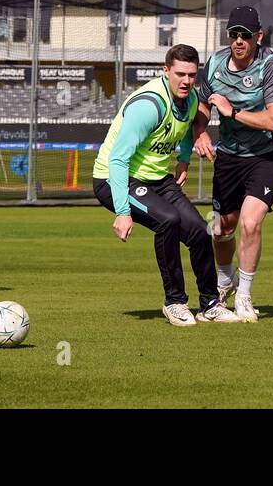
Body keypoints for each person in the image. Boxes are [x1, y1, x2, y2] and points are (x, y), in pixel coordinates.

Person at [92, 44, 239, 326]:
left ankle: (210, 304)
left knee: (199, 230)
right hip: (114, 179)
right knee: (168, 220)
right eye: (180, 74)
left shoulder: (191, 99)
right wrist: (122, 212)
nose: (186, 81)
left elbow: (185, 128)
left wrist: (183, 160)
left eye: (192, 75)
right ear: (165, 71)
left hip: (157, 179)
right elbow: (118, 160)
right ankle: (174, 302)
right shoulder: (148, 106)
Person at [192, 5, 273, 322]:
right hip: (229, 156)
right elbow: (204, 106)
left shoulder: (271, 67)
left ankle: (244, 296)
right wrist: (200, 133)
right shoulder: (215, 63)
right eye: (233, 34)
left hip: (267, 155)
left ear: (257, 37)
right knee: (222, 228)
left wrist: (232, 112)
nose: (238, 41)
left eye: (245, 35)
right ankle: (224, 284)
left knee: (250, 222)